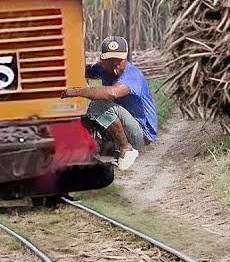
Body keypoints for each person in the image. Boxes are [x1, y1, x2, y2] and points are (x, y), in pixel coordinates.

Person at [61, 35, 158, 171]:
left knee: (98, 105)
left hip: (142, 132)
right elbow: (84, 70)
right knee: (87, 117)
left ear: (126, 58)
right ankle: (99, 149)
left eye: (119, 60)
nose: (115, 65)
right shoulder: (102, 68)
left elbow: (112, 93)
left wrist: (75, 92)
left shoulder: (132, 75)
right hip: (125, 120)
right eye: (110, 60)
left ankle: (126, 147)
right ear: (102, 60)